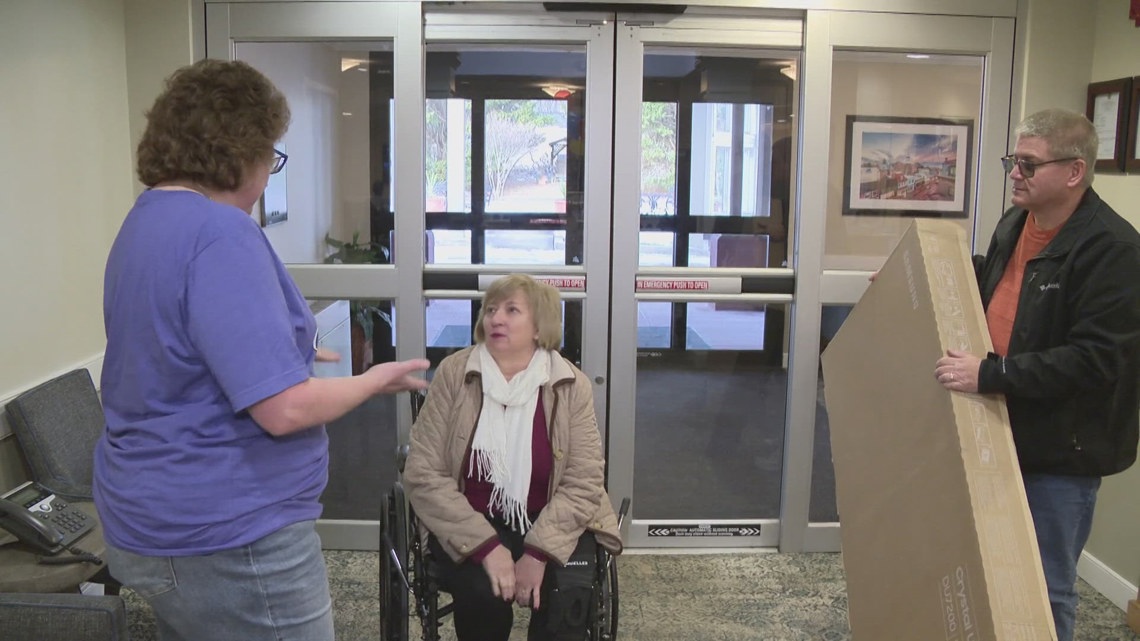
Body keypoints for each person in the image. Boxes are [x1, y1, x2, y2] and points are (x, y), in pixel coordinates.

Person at [95, 59, 429, 641]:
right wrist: (375, 380)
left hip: (147, 516)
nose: (270, 175)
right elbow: (284, 411)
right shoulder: (220, 233)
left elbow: (179, 353)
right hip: (230, 533)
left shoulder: (145, 223)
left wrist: (294, 356)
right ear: (235, 149)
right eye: (270, 155)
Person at [934, 108, 1140, 641]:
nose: (1015, 174)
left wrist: (991, 374)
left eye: (1028, 164)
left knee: (1045, 587)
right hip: (997, 425)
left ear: (1074, 172)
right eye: (1013, 161)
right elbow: (995, 280)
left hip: (1059, 451)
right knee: (982, 568)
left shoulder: (1114, 251)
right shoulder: (1016, 223)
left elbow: (1096, 358)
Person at [403, 274, 622, 640]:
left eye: (511, 310)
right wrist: (487, 547)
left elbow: (584, 481)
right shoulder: (456, 375)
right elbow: (423, 473)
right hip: (471, 520)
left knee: (566, 597)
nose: (495, 318)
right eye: (490, 310)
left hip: (551, 517)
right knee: (481, 594)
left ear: (539, 327)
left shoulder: (570, 385)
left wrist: (538, 553)